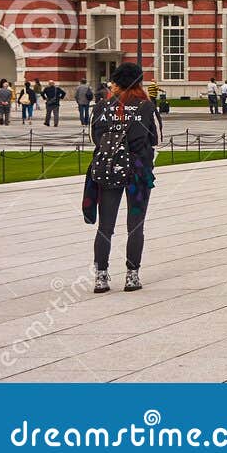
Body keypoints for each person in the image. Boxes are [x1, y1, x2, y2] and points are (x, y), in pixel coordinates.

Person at [83, 62, 159, 293]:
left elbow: (96, 138)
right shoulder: (146, 106)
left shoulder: (102, 106)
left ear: (117, 82)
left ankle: (101, 277)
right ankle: (132, 276)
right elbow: (154, 139)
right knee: (135, 225)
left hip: (108, 168)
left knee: (105, 227)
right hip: (137, 171)